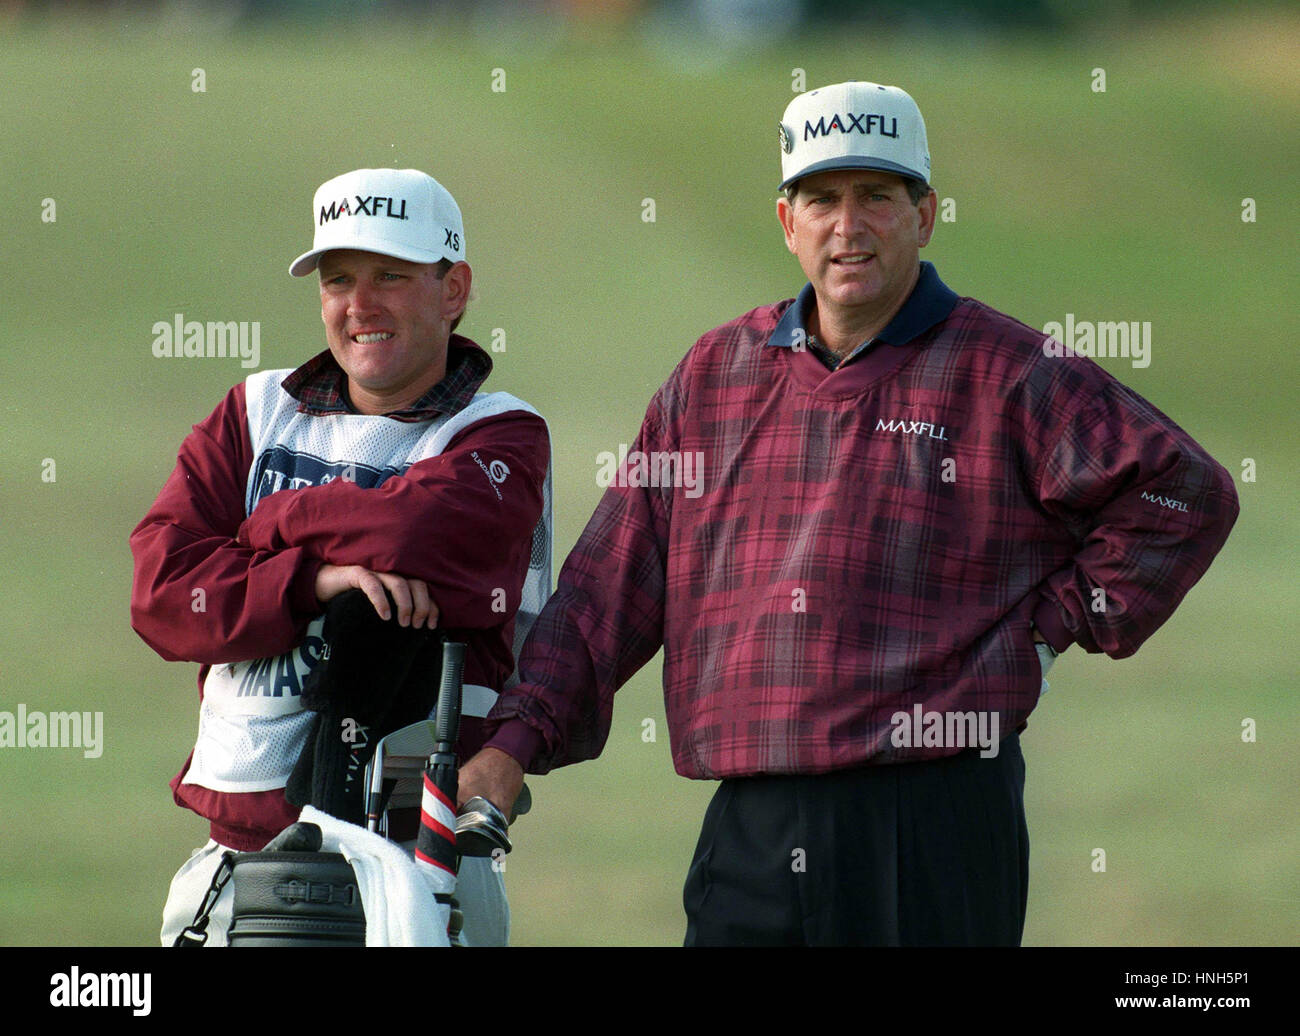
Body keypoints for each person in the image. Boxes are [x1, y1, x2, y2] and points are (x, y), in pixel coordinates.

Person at [458, 82, 1240, 945]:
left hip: (934, 820)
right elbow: (611, 584)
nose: (848, 224)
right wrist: (515, 740)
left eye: (877, 196)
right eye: (823, 199)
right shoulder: (715, 374)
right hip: (752, 824)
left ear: (925, 215)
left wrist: (1049, 629)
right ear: (788, 222)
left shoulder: (1011, 370)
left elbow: (1182, 494)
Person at [131, 167, 552, 947]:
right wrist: (312, 577)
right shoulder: (253, 410)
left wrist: (266, 524)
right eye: (339, 280)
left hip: (420, 866)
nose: (360, 305)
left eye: (391, 276)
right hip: (236, 858)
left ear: (453, 289)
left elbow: (413, 537)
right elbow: (161, 592)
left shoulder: (502, 432)